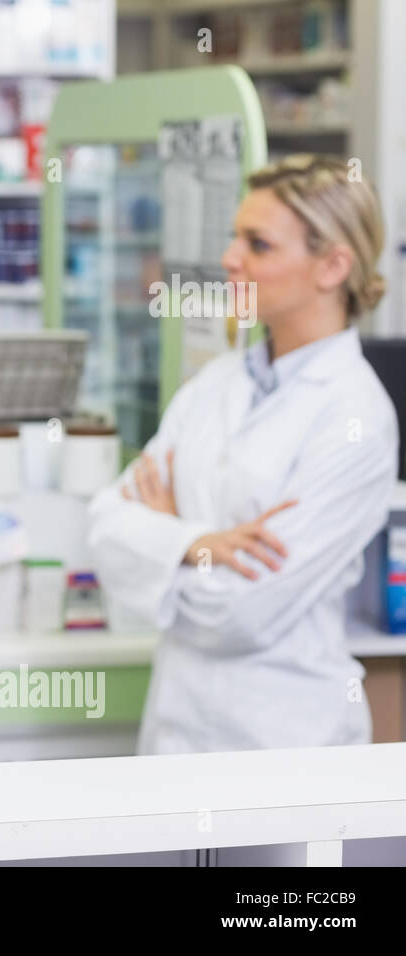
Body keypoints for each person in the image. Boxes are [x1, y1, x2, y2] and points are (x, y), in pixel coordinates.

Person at [88, 154, 398, 754]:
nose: (230, 259)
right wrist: (195, 544)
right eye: (235, 238)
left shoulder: (355, 418)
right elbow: (104, 528)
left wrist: (162, 537)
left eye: (257, 244)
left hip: (284, 742)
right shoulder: (214, 384)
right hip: (176, 729)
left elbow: (240, 615)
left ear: (332, 266)